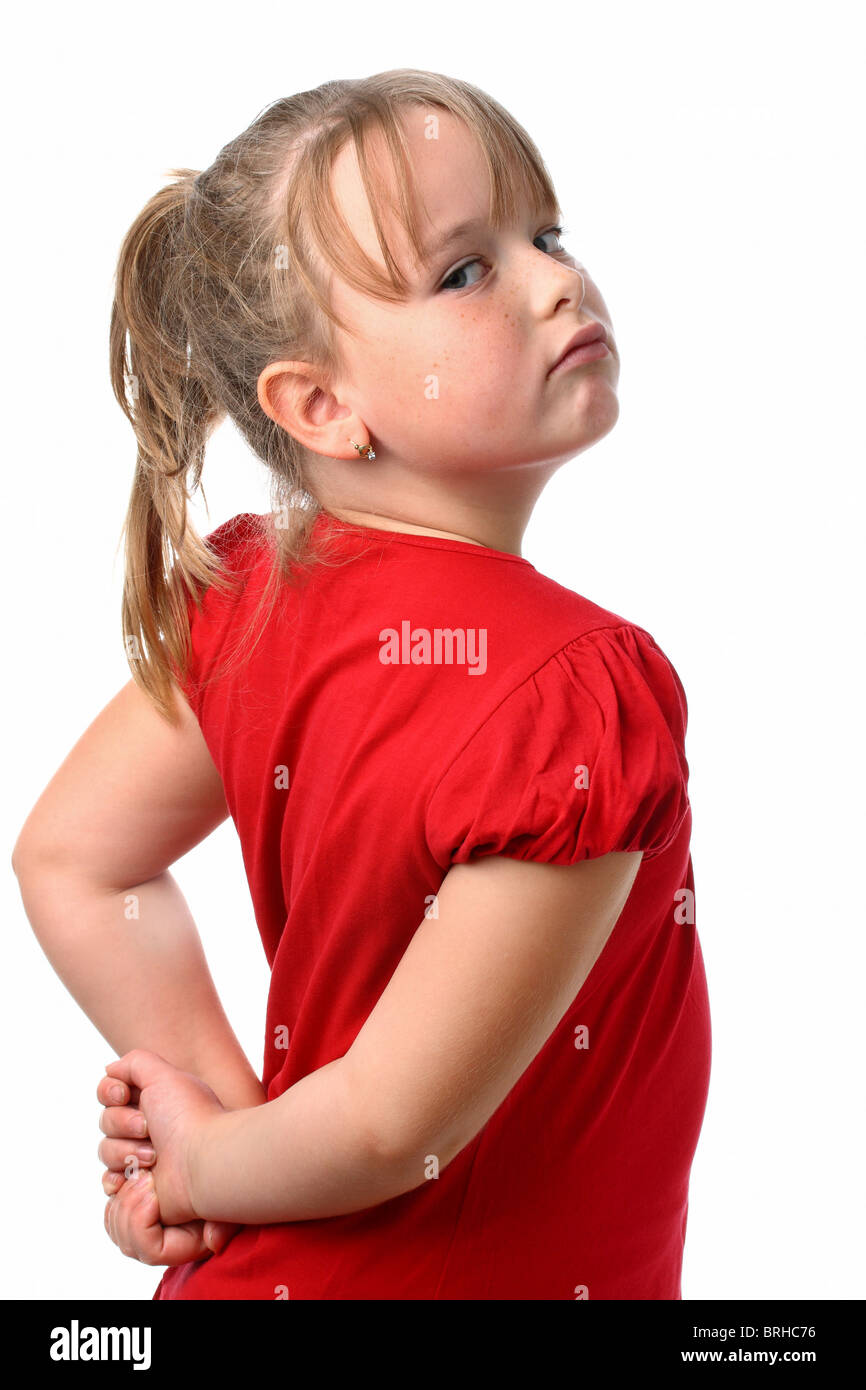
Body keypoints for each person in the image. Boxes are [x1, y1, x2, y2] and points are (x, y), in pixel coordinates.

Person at [11, 69, 711, 1299]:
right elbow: (390, 1129)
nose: (556, 281)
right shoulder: (575, 692)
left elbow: (72, 858)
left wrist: (216, 1136)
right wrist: (206, 1160)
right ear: (321, 405)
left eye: (545, 235)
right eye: (465, 270)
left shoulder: (256, 600)